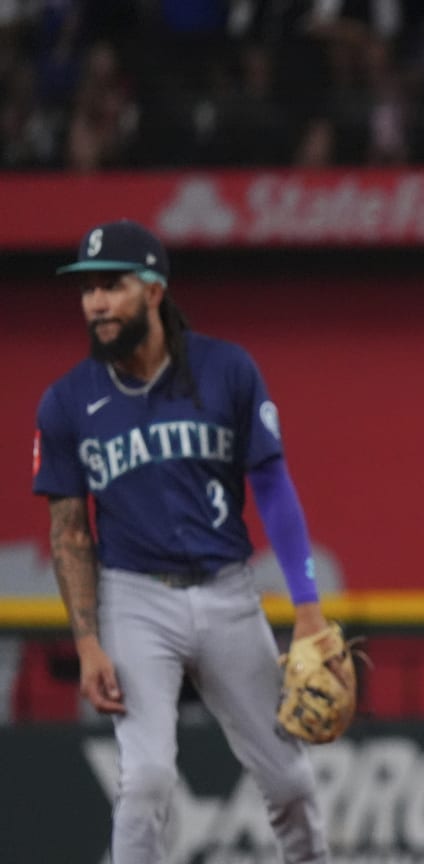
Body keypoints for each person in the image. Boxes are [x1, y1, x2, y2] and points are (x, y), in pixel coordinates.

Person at [32, 220, 333, 863]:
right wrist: (87, 644)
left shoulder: (227, 369)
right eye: (87, 290)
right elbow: (68, 530)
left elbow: (274, 489)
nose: (97, 303)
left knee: (290, 779)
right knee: (146, 780)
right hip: (134, 598)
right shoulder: (66, 402)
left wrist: (308, 610)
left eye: (112, 285)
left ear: (155, 289)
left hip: (228, 591)